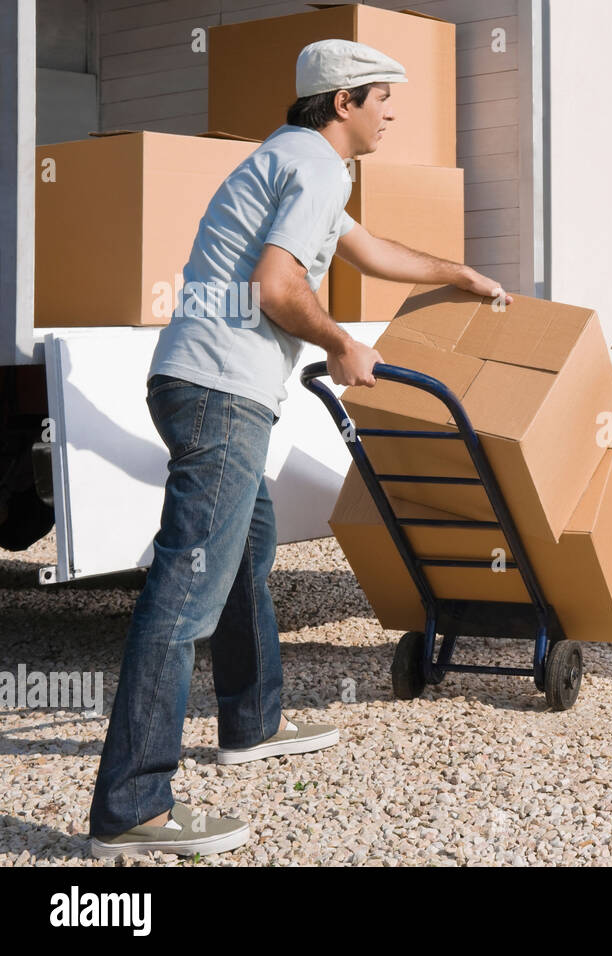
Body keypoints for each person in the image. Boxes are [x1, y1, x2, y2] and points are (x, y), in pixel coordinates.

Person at [88, 39, 513, 859]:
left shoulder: (296, 160)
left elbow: (367, 248)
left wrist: (457, 273)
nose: (393, 113)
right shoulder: (315, 166)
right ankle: (130, 810)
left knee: (246, 553)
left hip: (202, 383)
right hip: (223, 391)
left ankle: (251, 724)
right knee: (184, 596)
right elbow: (280, 288)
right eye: (384, 98)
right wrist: (343, 342)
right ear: (344, 102)